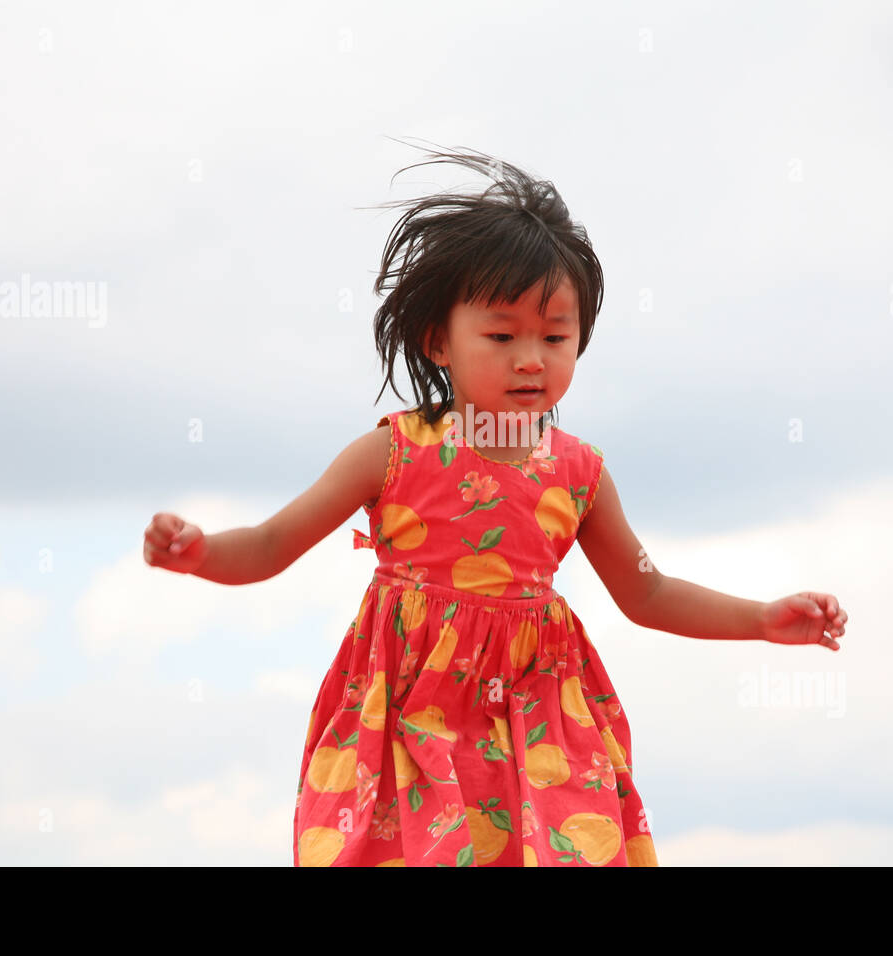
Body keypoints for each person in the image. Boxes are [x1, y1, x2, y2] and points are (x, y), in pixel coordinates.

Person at [143, 142, 848, 867]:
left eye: (555, 336)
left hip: (537, 736)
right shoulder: (392, 454)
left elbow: (647, 589)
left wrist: (761, 620)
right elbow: (267, 544)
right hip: (408, 731)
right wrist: (199, 554)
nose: (531, 358)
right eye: (503, 335)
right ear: (437, 341)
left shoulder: (579, 475)